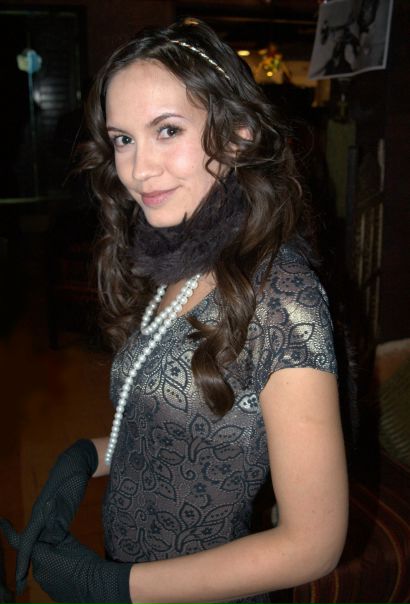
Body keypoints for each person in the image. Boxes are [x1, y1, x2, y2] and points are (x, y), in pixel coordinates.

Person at [0, 18, 348, 604]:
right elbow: (182, 437)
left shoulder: (282, 297)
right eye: (123, 139)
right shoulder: (175, 261)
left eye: (167, 130)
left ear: (237, 136)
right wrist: (87, 456)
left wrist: (115, 586)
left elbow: (313, 544)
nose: (138, 169)